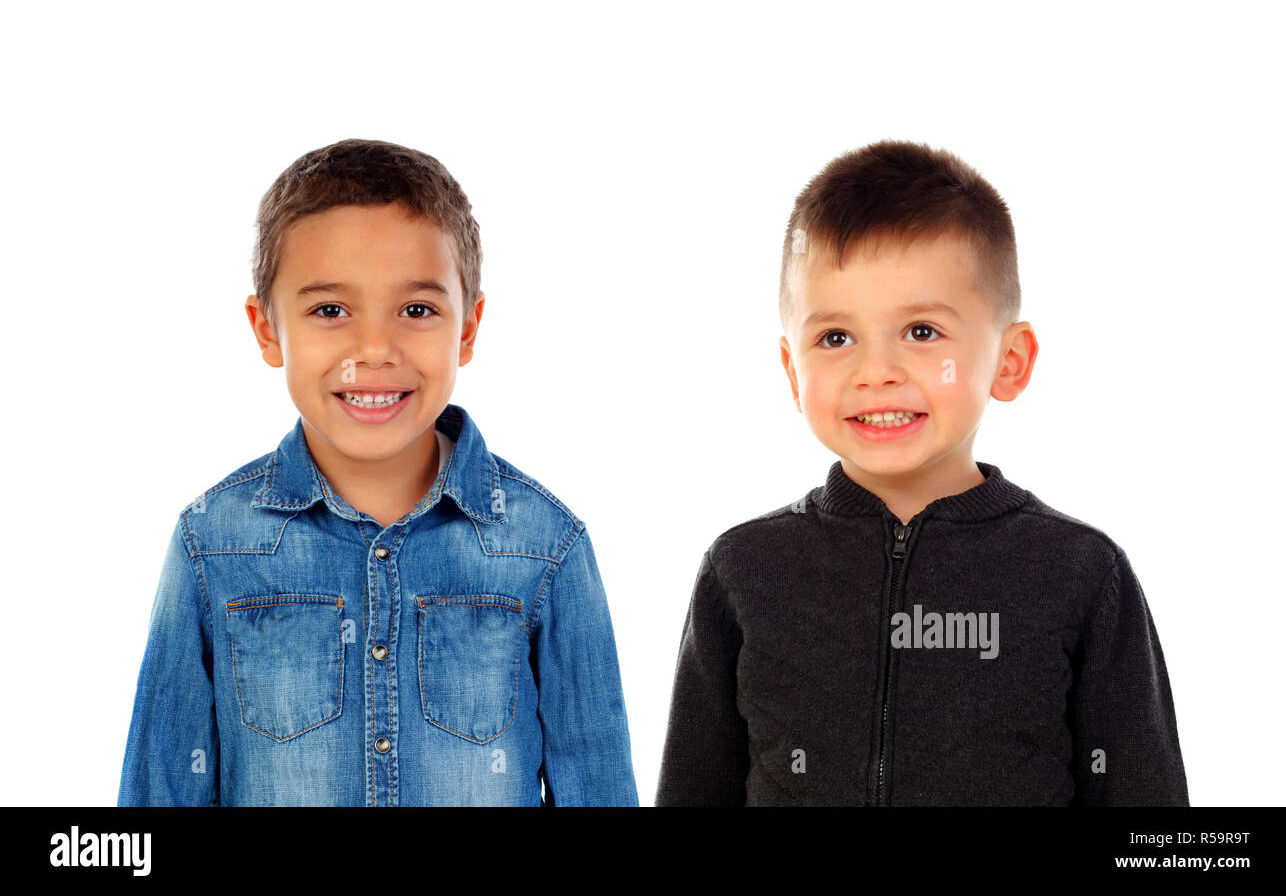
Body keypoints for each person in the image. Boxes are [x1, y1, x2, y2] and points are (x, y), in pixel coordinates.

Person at [655, 140, 1188, 805]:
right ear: (793, 372)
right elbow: (693, 789)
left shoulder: (1081, 571)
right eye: (836, 338)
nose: (875, 372)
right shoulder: (743, 569)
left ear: (1009, 360)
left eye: (923, 332)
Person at [118, 139, 637, 806]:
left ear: (469, 328)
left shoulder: (546, 547)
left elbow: (597, 782)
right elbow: (158, 792)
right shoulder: (212, 544)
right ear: (267, 329)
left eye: (416, 310)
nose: (374, 350)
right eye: (330, 310)